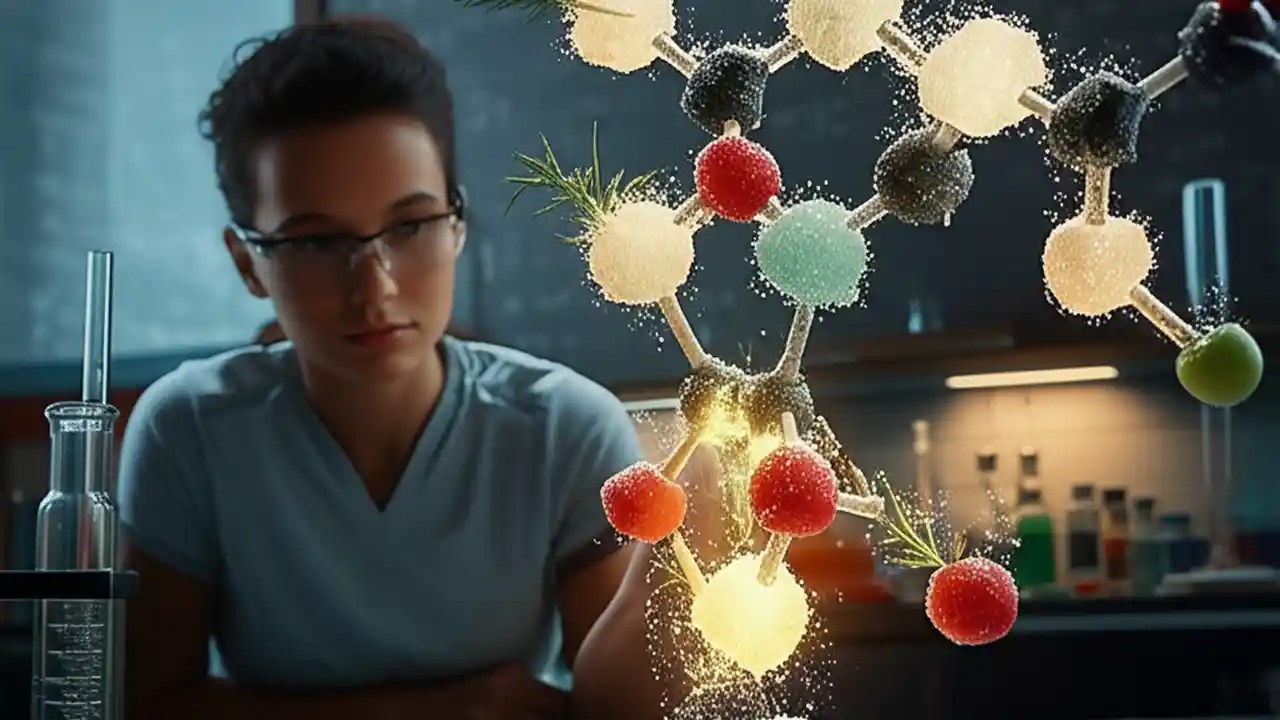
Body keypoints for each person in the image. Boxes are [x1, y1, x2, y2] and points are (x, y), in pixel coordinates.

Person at [119, 17, 668, 720]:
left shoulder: (563, 429)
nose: (374, 289)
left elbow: (611, 711)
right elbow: (147, 703)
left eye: (409, 227)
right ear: (245, 262)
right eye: (315, 241)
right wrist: (463, 710)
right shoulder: (190, 430)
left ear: (457, 223)